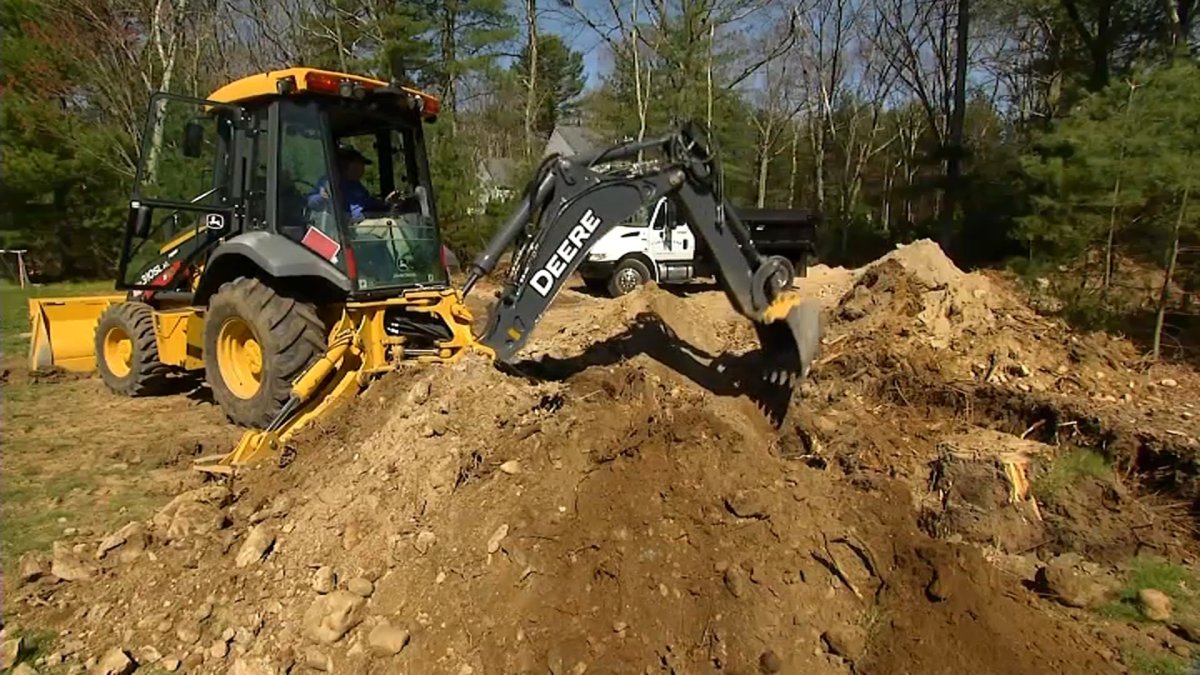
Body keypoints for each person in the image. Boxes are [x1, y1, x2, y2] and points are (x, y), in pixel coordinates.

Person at [307, 146, 402, 221]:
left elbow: (368, 204)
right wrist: (322, 198)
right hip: (348, 226)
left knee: (398, 220)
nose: (362, 169)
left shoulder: (356, 186)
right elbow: (311, 202)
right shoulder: (329, 181)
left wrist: (387, 203)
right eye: (359, 164)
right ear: (345, 165)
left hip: (366, 220)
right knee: (390, 226)